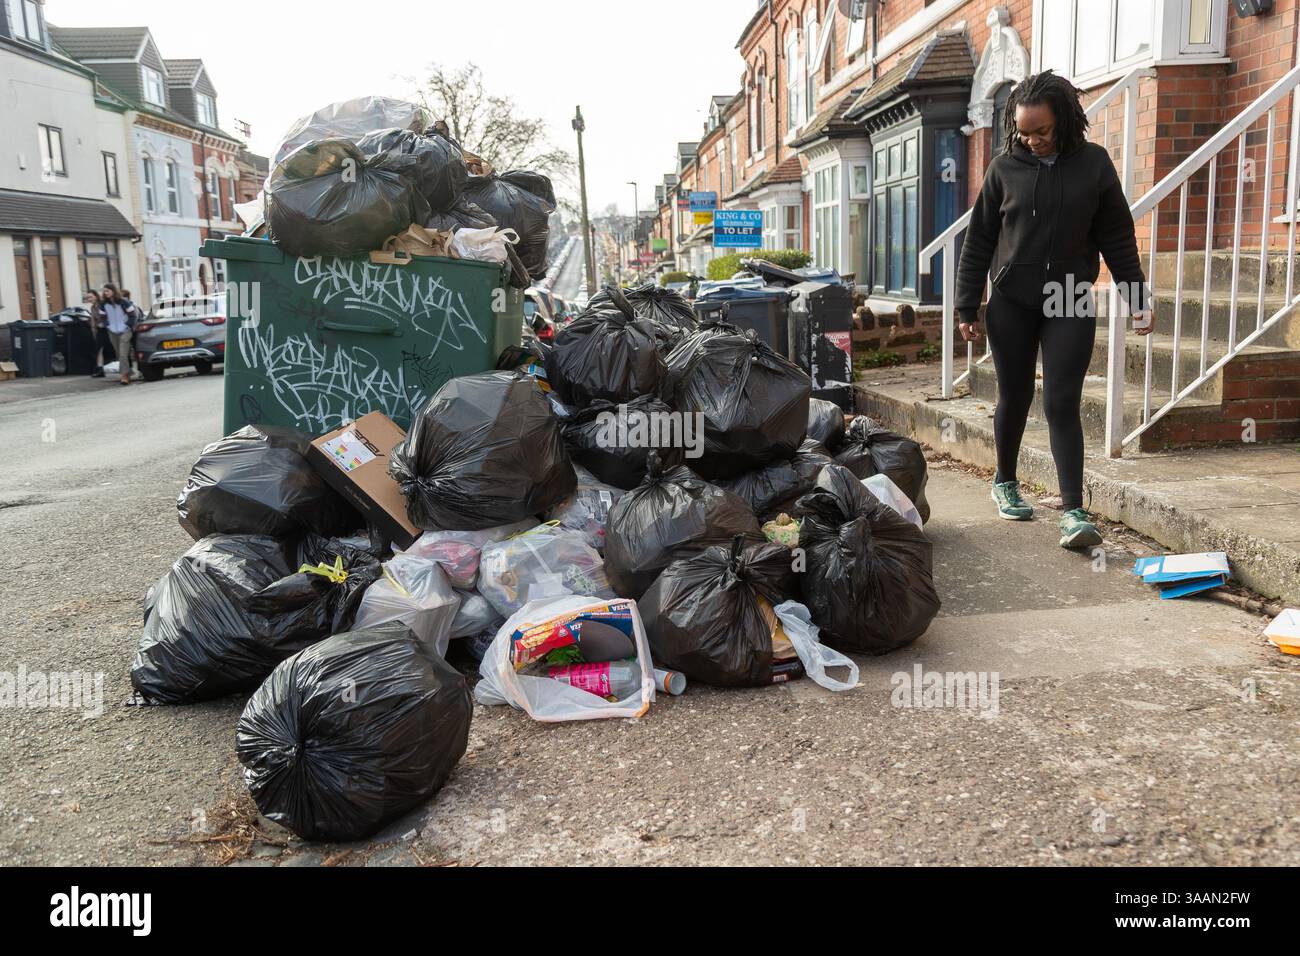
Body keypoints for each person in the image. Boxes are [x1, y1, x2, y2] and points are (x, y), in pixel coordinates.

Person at [955, 71, 1152, 550]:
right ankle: (1005, 480)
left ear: (1063, 121)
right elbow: (980, 239)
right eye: (1025, 131)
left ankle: (1073, 512)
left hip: (1069, 297)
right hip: (1012, 301)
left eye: (1042, 130)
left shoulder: (1094, 165)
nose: (1034, 140)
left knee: (1062, 401)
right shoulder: (1003, 168)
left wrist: (1138, 298)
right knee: (1016, 394)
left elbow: (1117, 238)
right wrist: (966, 305)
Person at [100, 284, 135, 386]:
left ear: (113, 291)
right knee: (119, 353)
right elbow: (102, 317)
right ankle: (128, 372)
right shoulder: (103, 304)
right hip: (112, 331)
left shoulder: (124, 302)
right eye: (104, 291)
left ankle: (124, 376)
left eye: (107, 291)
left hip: (125, 331)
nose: (105, 293)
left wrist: (127, 326)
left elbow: (132, 315)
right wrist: (108, 326)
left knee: (123, 353)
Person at [85, 290, 113, 378]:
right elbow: (93, 320)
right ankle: (100, 369)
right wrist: (93, 329)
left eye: (90, 297)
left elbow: (110, 316)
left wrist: (104, 324)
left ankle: (126, 368)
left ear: (96, 296)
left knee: (115, 348)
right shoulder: (93, 307)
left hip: (109, 329)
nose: (89, 299)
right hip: (100, 330)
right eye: (88, 297)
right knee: (98, 349)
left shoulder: (102, 305)